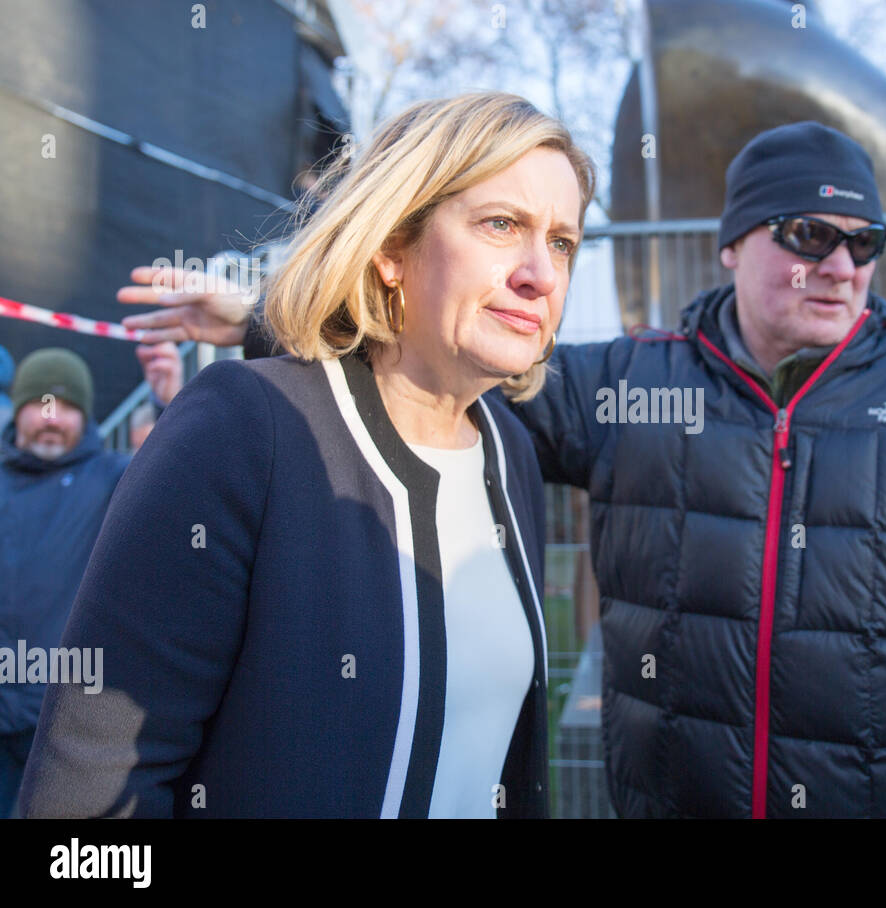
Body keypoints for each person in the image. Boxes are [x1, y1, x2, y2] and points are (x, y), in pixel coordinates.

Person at [114, 121, 886, 819]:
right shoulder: (627, 387)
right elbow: (438, 364)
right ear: (729, 245)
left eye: (865, 242)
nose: (840, 264)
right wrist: (275, 313)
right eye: (808, 232)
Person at [19, 91, 595, 818]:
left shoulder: (510, 452)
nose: (539, 273)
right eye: (502, 224)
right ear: (391, 247)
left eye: (563, 242)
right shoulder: (242, 427)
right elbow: (88, 795)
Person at [0, 343, 179, 818]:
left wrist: (169, 404)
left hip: (64, 726)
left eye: (66, 406)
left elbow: (175, 480)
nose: (51, 419)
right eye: (40, 405)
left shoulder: (112, 478)